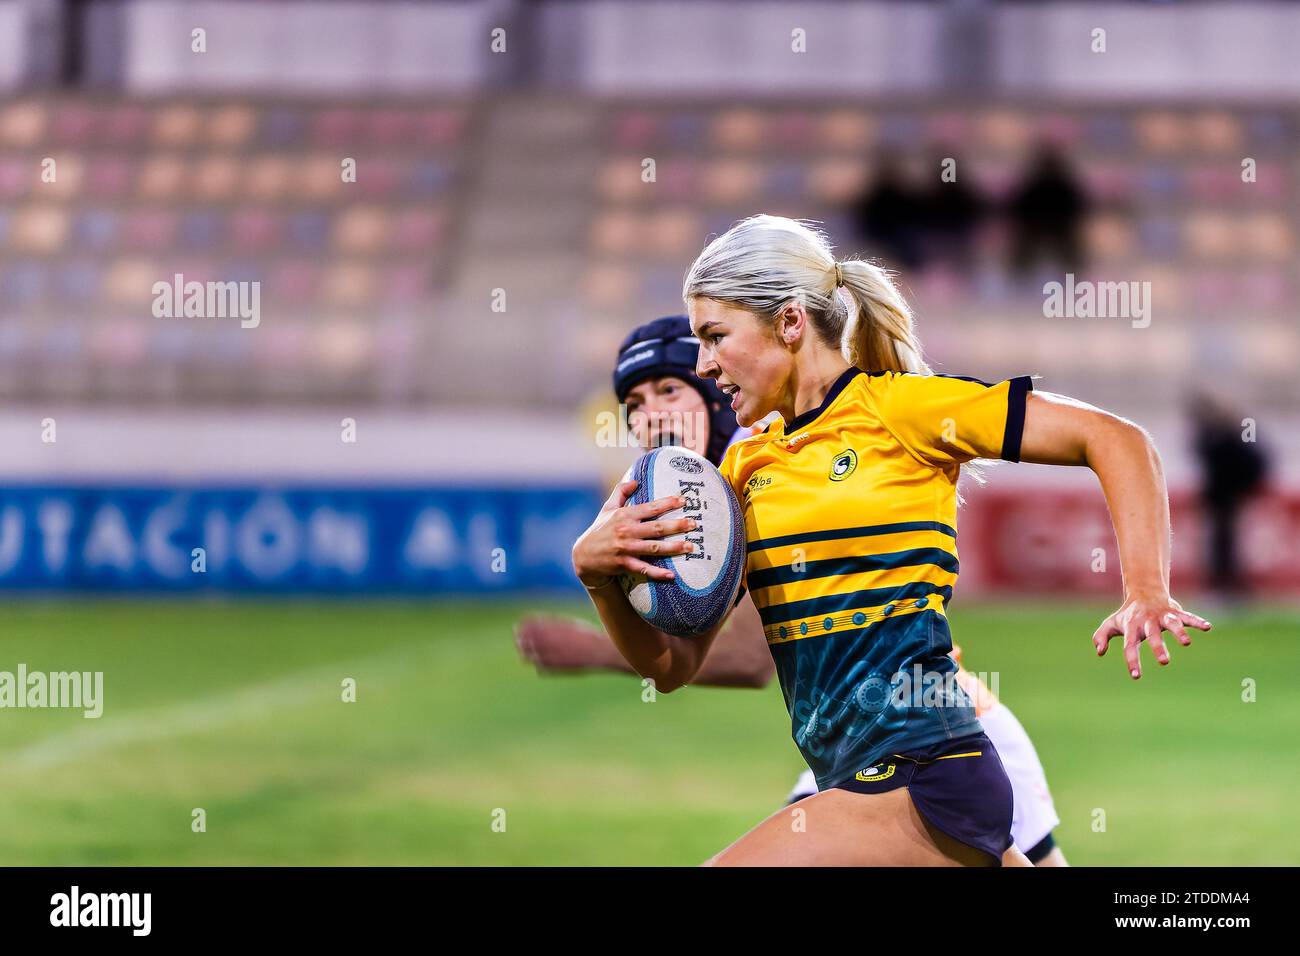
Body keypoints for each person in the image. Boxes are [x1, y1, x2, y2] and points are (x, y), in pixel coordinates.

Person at [572, 215, 1210, 866]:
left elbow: (1115, 439)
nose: (704, 364)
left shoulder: (901, 410)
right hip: (860, 780)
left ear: (789, 322)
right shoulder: (741, 469)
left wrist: (1145, 589)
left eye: (714, 336)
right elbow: (671, 668)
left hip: (923, 770)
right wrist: (600, 580)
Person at [518, 315, 1067, 864]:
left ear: (717, 386)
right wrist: (601, 581)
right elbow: (673, 665)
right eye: (633, 403)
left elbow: (747, 659)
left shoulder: (774, 457)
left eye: (668, 389)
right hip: (867, 746)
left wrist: (592, 650)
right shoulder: (727, 478)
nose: (651, 414)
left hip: (921, 739)